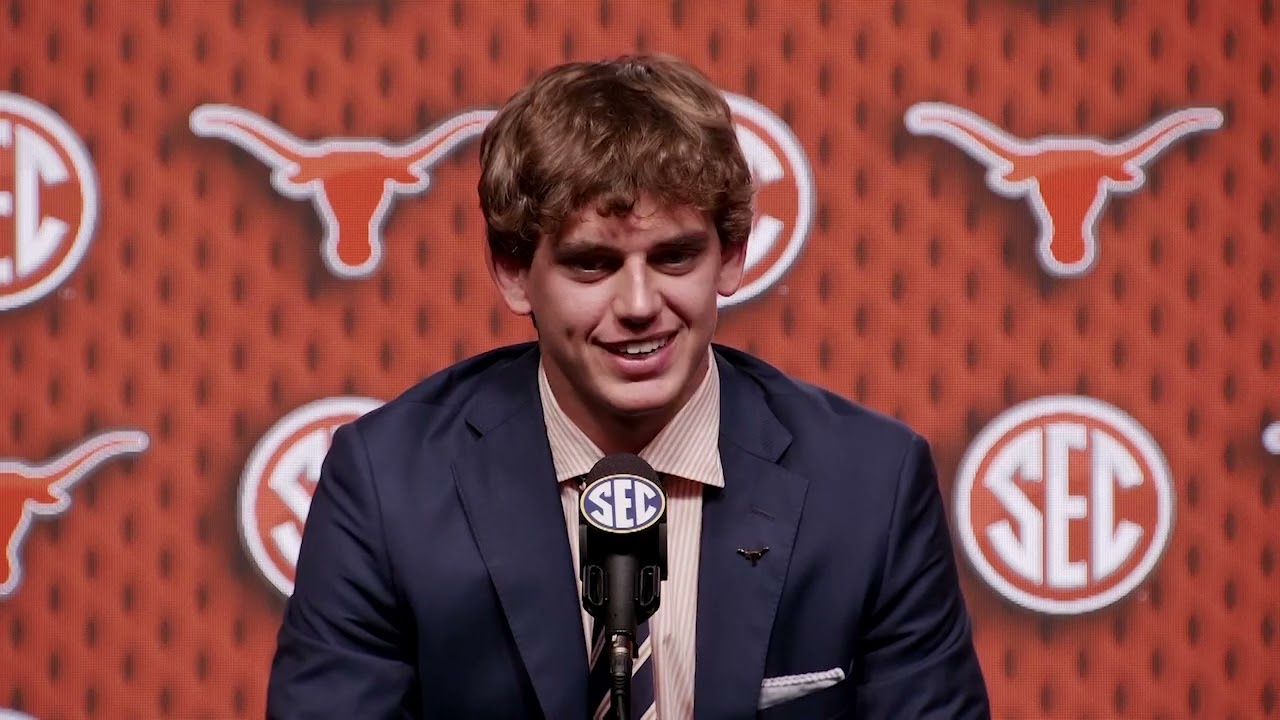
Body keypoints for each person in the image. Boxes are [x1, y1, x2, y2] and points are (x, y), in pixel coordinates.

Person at [266, 54, 990, 719]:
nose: (640, 303)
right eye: (591, 265)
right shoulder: (390, 481)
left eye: (675, 257)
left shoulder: (870, 483)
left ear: (732, 258)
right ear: (515, 273)